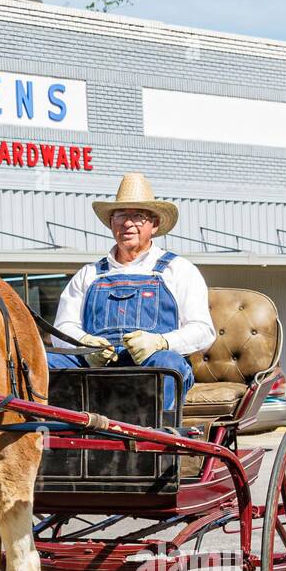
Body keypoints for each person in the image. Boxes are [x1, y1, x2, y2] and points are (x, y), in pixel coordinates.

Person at [47, 173, 215, 412]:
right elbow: (62, 328)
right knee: (44, 361)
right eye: (121, 215)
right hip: (96, 367)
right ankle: (57, 438)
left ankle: (158, 438)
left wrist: (161, 341)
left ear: (154, 224)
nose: (128, 223)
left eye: (138, 216)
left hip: (152, 364)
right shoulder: (89, 274)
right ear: (111, 223)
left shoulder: (177, 269)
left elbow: (203, 331)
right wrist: (83, 343)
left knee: (166, 364)